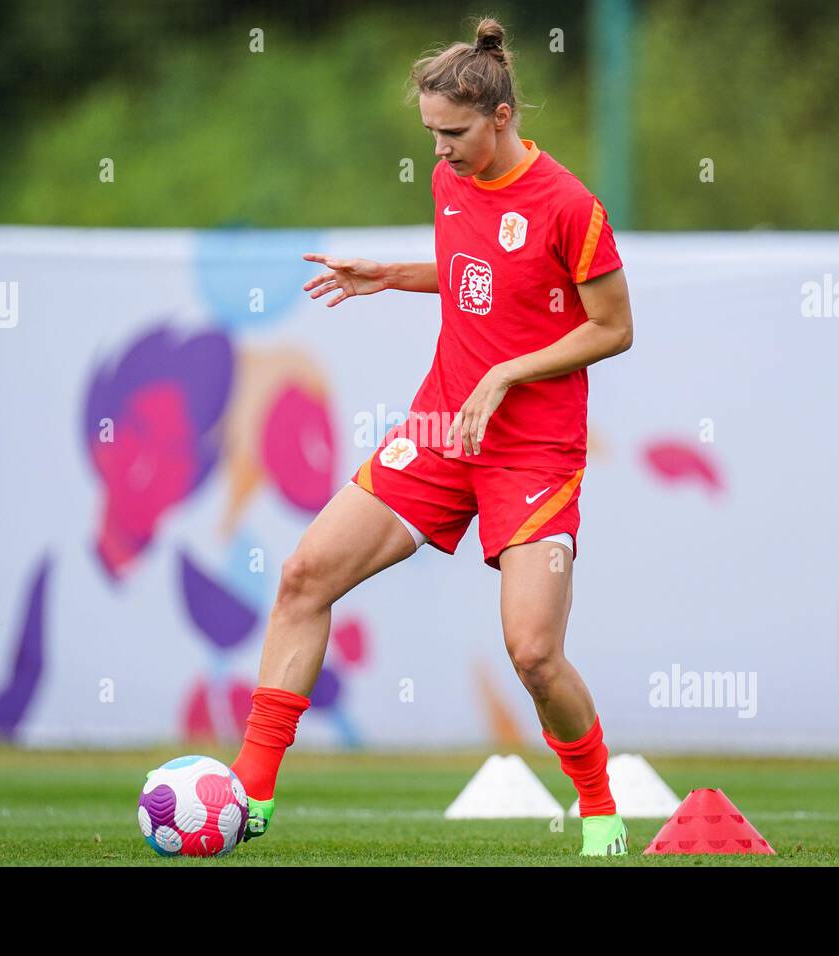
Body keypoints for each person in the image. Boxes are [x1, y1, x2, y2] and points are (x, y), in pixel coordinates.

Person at [230, 16, 635, 857]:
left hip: (533, 450)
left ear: (500, 115)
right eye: (430, 134)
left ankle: (599, 803)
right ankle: (249, 794)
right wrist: (395, 276)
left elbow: (613, 327)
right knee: (304, 574)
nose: (439, 152)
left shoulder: (569, 206)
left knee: (531, 653)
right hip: (441, 429)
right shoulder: (453, 183)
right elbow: (475, 281)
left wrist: (507, 374)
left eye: (452, 134)